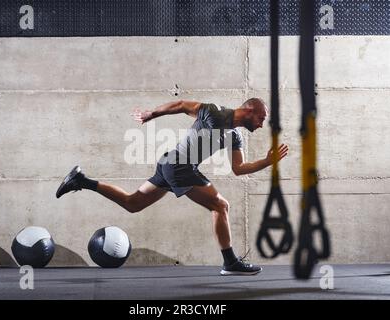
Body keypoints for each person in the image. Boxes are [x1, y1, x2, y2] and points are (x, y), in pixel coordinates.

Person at [56, 98, 288, 275]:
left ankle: (82, 181)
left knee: (132, 203)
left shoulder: (235, 136)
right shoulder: (214, 112)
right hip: (179, 165)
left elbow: (239, 168)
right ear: (249, 110)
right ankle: (230, 262)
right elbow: (181, 105)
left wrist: (267, 162)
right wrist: (152, 114)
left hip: (172, 165)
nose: (261, 125)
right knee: (220, 205)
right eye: (261, 118)